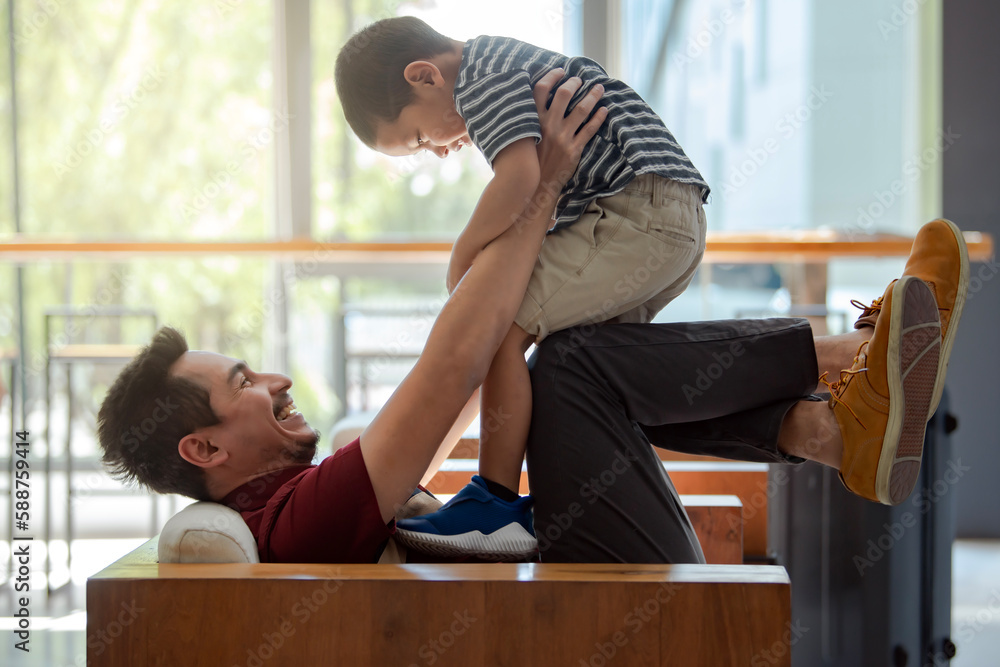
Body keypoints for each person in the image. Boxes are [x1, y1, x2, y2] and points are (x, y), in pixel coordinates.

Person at [95, 72, 970, 565]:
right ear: (203, 449)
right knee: (575, 365)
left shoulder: (300, 500)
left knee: (572, 356)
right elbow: (447, 370)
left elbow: (464, 384)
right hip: (603, 584)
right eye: (242, 383)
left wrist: (525, 286)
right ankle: (851, 351)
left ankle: (829, 430)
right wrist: (544, 185)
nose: (275, 379)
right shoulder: (294, 520)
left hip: (599, 554)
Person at [335, 16, 711, 558]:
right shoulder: (501, 63)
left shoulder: (480, 80)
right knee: (578, 367)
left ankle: (494, 503)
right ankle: (574, 503)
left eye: (419, 137)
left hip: (638, 214)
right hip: (666, 218)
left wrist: (463, 255)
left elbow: (520, 179)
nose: (437, 151)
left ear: (424, 77)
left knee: (502, 327)